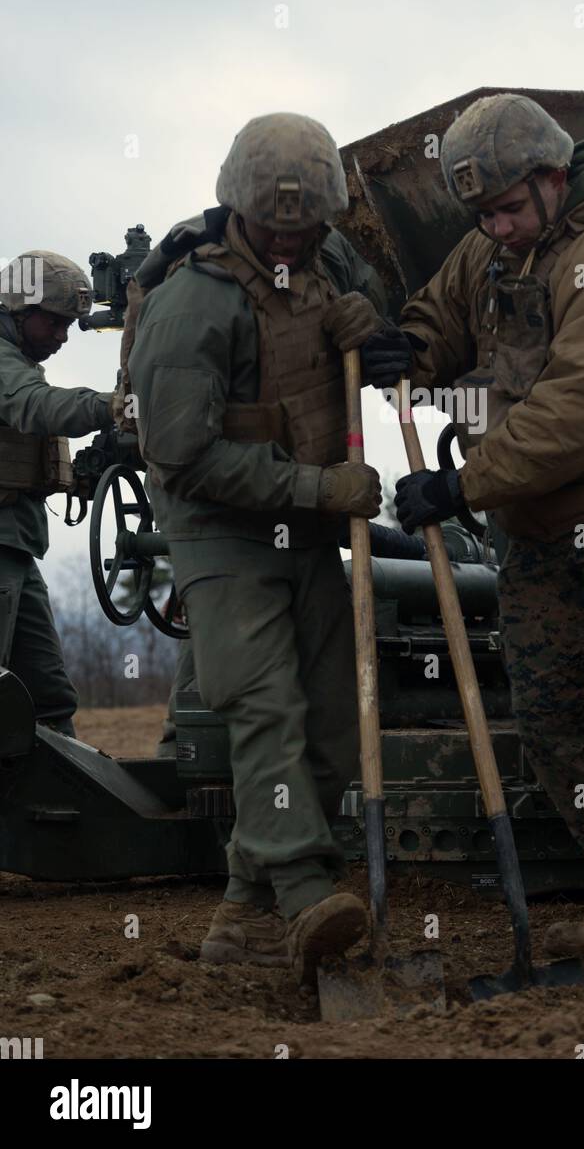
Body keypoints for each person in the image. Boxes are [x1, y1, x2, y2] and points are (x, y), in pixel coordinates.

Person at [360, 92, 584, 962]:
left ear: (557, 178)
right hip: (541, 508)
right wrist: (406, 348)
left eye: (511, 208)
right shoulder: (494, 244)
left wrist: (460, 486)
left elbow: (581, 414)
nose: (498, 227)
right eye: (483, 213)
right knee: (547, 708)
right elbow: (447, 312)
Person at [128, 113, 388, 985]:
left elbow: (372, 323)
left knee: (330, 716)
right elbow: (182, 455)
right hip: (220, 532)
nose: (289, 237)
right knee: (263, 707)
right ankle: (307, 889)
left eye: (304, 224)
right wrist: (318, 489)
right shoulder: (191, 305)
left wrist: (368, 322)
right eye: (274, 222)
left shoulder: (331, 261)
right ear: (236, 205)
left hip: (303, 531)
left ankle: (242, 914)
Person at [0, 252, 115, 736]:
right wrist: (115, 406)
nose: (63, 337)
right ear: (20, 309)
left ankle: (61, 805)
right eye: (55, 323)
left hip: (16, 548)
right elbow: (35, 407)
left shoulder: (20, 361)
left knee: (47, 697)